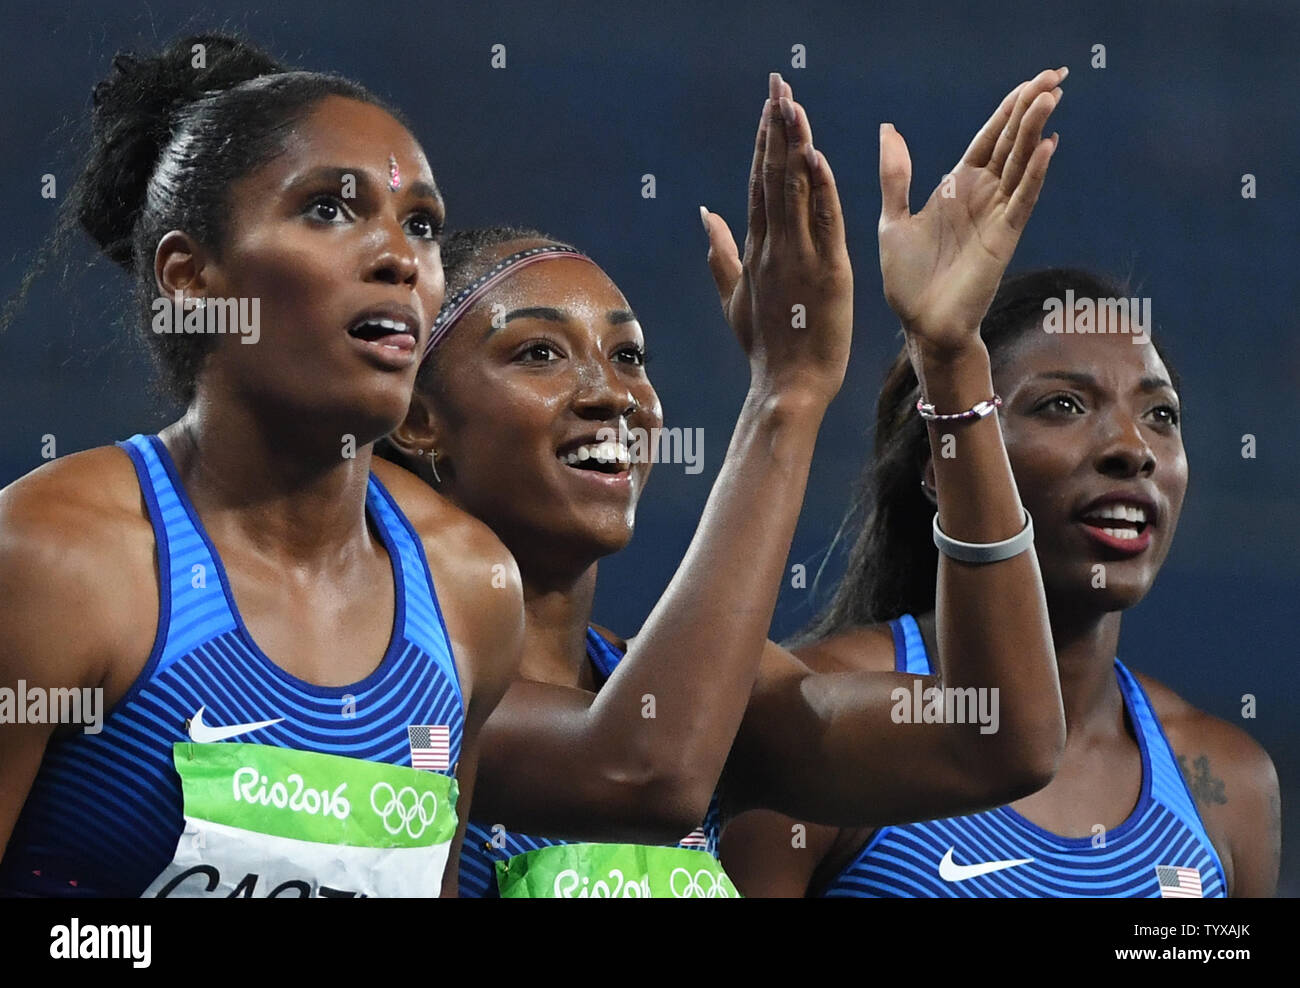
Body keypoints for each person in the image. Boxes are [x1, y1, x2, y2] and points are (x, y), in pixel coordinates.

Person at [380, 69, 1074, 896]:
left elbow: (1000, 738)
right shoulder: (398, 683)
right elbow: (645, 769)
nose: (613, 395)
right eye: (538, 352)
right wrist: (785, 395)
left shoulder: (707, 697)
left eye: (630, 356)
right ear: (419, 419)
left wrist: (951, 359)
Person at [0, 34, 524, 898]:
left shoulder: (471, 589)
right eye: (328, 209)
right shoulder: (56, 561)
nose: (400, 256)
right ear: (191, 275)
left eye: (421, 224)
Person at [720, 268, 1282, 898]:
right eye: (1063, 405)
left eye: (1160, 414)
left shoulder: (1228, 786)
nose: (1133, 447)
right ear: (945, 462)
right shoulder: (807, 724)